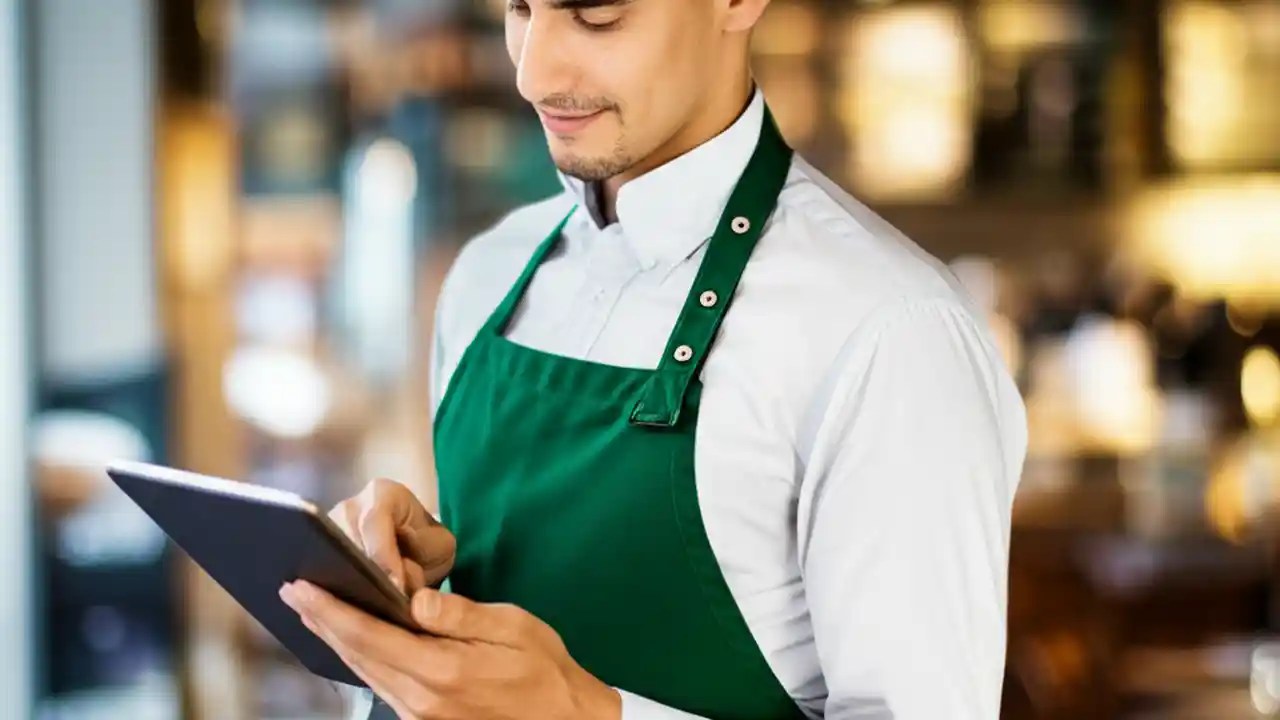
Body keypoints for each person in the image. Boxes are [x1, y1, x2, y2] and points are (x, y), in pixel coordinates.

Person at [277, 0, 1028, 718]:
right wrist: (413, 595)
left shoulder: (890, 332)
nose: (532, 73)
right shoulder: (486, 276)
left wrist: (585, 713)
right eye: (518, 9)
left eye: (596, 13)